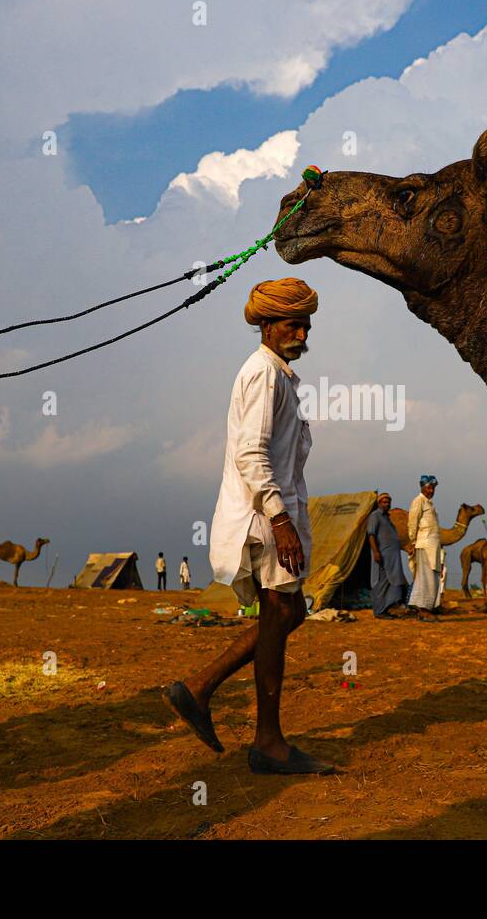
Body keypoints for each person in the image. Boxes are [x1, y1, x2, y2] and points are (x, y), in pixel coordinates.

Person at [165, 278, 333, 775]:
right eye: (290, 324)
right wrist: (280, 520)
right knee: (281, 612)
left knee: (288, 613)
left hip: (275, 515)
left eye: (304, 325)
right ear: (265, 325)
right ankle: (269, 742)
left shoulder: (280, 376)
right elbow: (251, 453)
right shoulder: (263, 373)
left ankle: (200, 687)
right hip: (264, 520)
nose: (300, 333)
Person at [407, 474, 444, 621]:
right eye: (429, 488)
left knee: (430, 578)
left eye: (433, 488)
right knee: (427, 578)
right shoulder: (418, 501)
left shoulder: (430, 504)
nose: (431, 491)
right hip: (424, 544)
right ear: (422, 487)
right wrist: (412, 541)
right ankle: (424, 609)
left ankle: (424, 609)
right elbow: (412, 522)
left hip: (433, 545)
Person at [365, 491, 406, 619]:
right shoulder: (375, 516)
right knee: (381, 583)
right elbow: (371, 534)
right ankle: (379, 611)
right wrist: (376, 552)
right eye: (384, 502)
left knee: (391, 582)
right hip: (382, 557)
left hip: (392, 559)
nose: (387, 504)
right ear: (379, 503)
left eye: (388, 502)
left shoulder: (387, 518)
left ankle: (386, 609)